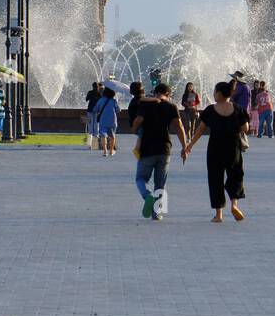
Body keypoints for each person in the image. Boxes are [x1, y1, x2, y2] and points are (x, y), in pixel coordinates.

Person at [186, 80, 249, 223]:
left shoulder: (210, 110)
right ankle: (234, 205)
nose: (213, 94)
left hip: (215, 149)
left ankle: (219, 214)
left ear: (219, 94)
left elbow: (200, 129)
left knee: (215, 179)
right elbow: (245, 128)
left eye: (214, 92)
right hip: (233, 148)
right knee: (235, 175)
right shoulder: (238, 109)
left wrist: (190, 145)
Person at [132, 82, 186, 220]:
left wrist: (133, 129)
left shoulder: (146, 105)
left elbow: (138, 120)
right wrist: (184, 147)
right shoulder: (172, 106)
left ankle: (147, 195)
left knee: (141, 178)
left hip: (147, 148)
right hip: (165, 149)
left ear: (155, 92)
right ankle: (157, 213)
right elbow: (179, 127)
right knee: (160, 183)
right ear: (168, 94)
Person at [94, 86, 120, 156]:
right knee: (112, 136)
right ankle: (111, 151)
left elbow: (95, 110)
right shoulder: (114, 101)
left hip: (103, 120)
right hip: (112, 120)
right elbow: (118, 110)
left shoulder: (101, 100)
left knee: (103, 135)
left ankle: (105, 151)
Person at [85, 81, 102, 147]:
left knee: (90, 125)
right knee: (96, 125)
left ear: (92, 86)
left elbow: (86, 99)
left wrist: (90, 97)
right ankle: (95, 143)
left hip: (90, 110)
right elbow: (101, 101)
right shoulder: (99, 93)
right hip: (97, 111)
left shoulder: (90, 92)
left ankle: (89, 143)